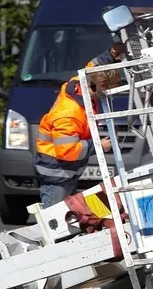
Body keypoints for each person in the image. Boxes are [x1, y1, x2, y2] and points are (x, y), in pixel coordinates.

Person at [35, 43, 125, 208]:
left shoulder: (81, 83)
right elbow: (67, 151)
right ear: (100, 86)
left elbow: (92, 67)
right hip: (58, 174)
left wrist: (111, 54)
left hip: (65, 171)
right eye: (108, 90)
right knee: (56, 217)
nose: (107, 96)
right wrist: (99, 145)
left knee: (68, 215)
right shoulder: (69, 114)